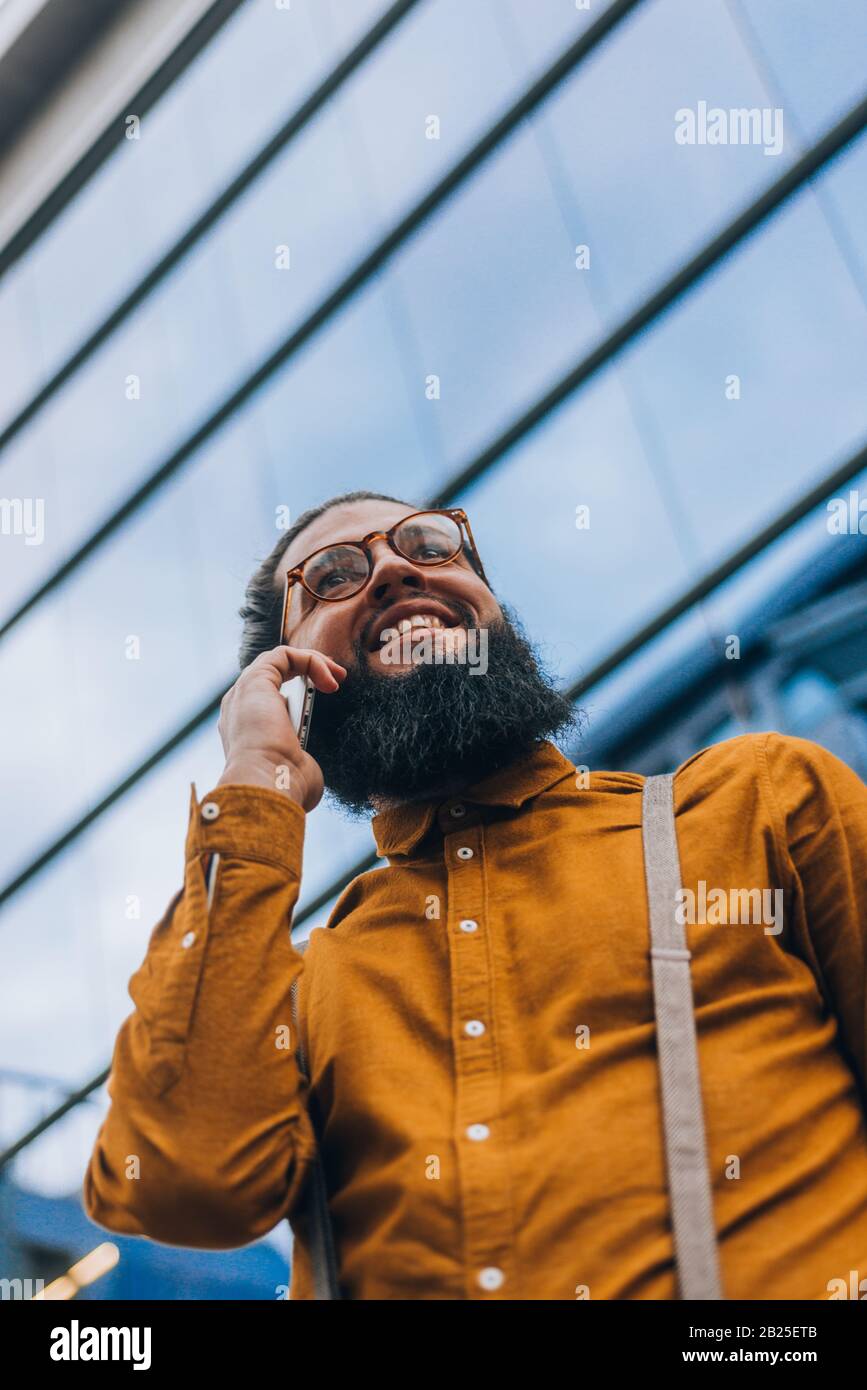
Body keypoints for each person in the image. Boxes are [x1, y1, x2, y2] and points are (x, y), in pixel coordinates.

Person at [83, 489, 867, 1300]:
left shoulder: (759, 803)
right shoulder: (288, 996)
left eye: (428, 546)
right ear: (293, 691)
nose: (392, 569)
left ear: (488, 612)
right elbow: (182, 1181)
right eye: (333, 576)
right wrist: (258, 780)